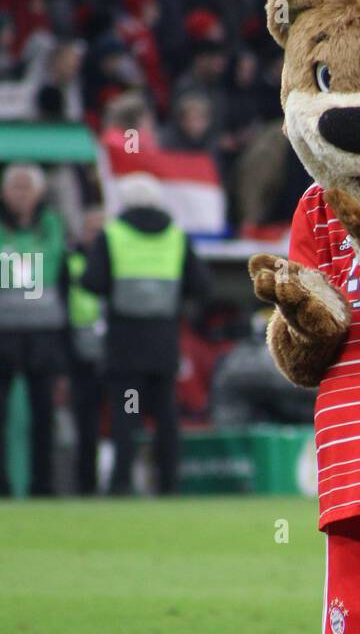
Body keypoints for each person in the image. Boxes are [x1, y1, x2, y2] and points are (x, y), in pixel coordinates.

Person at [81, 172, 209, 494]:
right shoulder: (177, 236)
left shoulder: (112, 235)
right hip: (164, 342)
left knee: (127, 415)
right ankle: (169, 484)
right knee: (166, 417)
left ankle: (122, 484)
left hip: (125, 344)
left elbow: (91, 282)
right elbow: (201, 285)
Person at [0, 164, 66, 496]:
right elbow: (40, 267)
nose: (21, 195)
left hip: (44, 334)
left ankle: (44, 486)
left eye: (27, 188)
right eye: (15, 187)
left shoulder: (52, 224)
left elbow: (50, 264)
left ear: (39, 192)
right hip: (4, 335)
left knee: (44, 414)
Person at [66, 206, 107, 495]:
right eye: (91, 229)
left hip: (115, 350)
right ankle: (86, 484)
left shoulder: (115, 260)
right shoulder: (69, 262)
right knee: (86, 421)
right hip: (80, 351)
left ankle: (119, 480)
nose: (96, 236)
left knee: (126, 415)